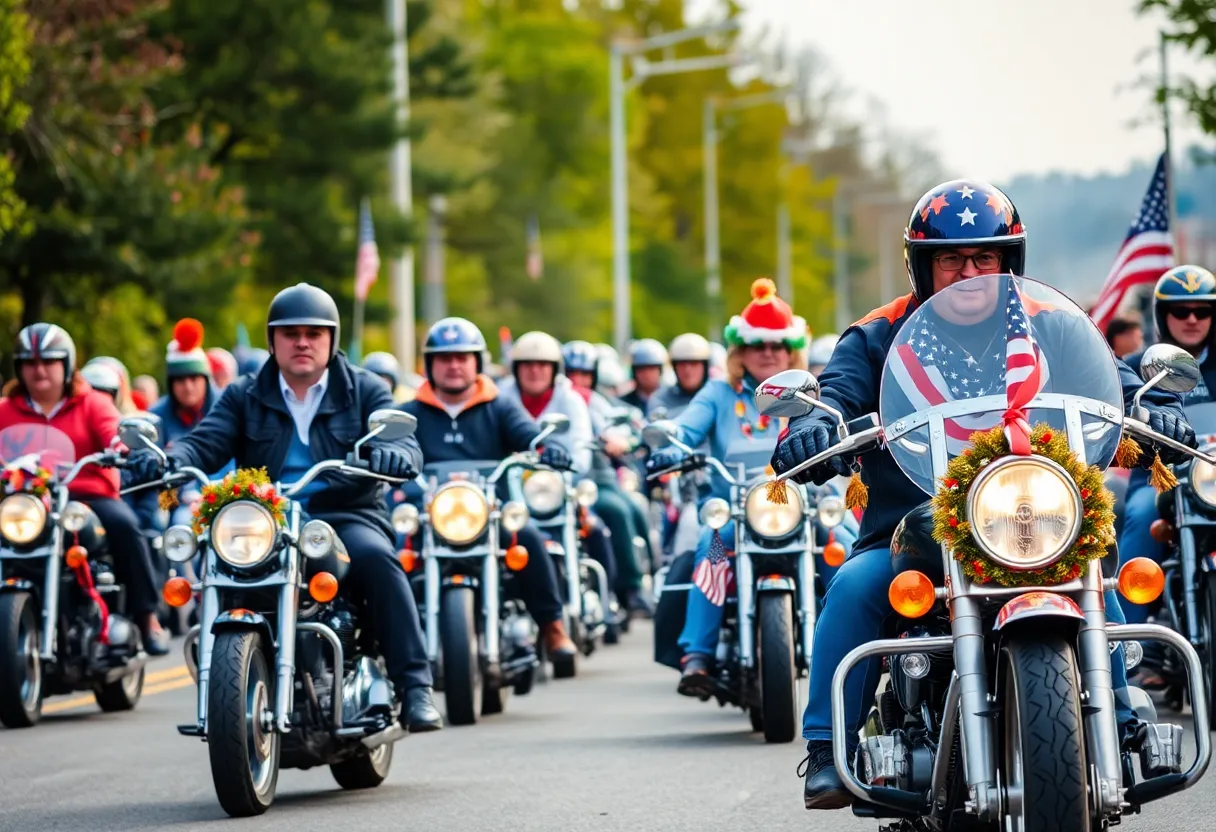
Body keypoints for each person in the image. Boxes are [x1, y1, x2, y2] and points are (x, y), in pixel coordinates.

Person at [771, 179, 1197, 810]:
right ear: (923, 266)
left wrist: (1153, 404)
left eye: (985, 259)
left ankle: (1124, 719)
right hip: (910, 523)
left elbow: (1117, 379)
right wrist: (813, 421)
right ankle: (828, 747)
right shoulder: (877, 333)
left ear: (1008, 262)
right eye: (952, 260)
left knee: (1095, 562)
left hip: (1036, 511)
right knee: (858, 585)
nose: (970, 273)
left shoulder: (1051, 322)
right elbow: (836, 389)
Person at [126, 283, 443, 731]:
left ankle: (415, 688)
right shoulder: (245, 395)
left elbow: (403, 440)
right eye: (290, 332)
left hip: (344, 513)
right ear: (272, 340)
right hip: (265, 519)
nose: (302, 342)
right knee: (216, 563)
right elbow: (205, 442)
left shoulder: (365, 390)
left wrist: (397, 455)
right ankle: (223, 674)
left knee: (377, 560)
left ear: (331, 340)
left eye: (314, 332)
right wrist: (169, 460)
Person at [647, 278, 831, 694]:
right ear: (739, 351)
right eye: (757, 345)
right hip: (731, 506)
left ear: (790, 350)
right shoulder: (716, 392)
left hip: (802, 501)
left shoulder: (806, 389)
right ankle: (697, 654)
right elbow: (685, 429)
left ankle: (856, 637)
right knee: (711, 546)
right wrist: (669, 446)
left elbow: (834, 422)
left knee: (842, 541)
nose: (768, 352)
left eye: (777, 344)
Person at [399, 317, 579, 670]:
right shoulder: (411, 413)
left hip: (490, 513)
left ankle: (552, 626)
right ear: (429, 364)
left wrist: (547, 447)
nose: (454, 365)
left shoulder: (499, 406)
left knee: (528, 538)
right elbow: (394, 447)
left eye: (463, 357)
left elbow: (528, 435)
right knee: (393, 553)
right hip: (428, 515)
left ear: (477, 363)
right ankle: (387, 647)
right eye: (445, 357)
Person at [0, 324, 170, 654]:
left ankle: (147, 616)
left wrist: (125, 448)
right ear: (19, 368)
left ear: (67, 365)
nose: (39, 370)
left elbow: (114, 431)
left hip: (85, 497)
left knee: (126, 525)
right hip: (24, 502)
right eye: (30, 362)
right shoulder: (5, 410)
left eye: (48, 361)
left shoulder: (92, 403)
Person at [1117, 265, 1216, 631]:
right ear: (1162, 315)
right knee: (1143, 515)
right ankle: (1134, 640)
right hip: (1162, 477)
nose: (1192, 319)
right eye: (1180, 311)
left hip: (1211, 477)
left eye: (1202, 311)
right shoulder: (1137, 367)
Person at [564, 340, 656, 613]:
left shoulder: (598, 403)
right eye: (571, 373)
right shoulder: (558, 400)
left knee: (622, 509)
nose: (577, 380)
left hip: (597, 479)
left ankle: (634, 583)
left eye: (584, 374)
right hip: (558, 484)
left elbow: (625, 430)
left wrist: (619, 441)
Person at [653, 333, 712, 417]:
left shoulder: (717, 395)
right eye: (682, 364)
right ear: (674, 367)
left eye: (694, 363)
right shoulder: (661, 398)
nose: (687, 370)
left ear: (705, 366)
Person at [621, 339, 667, 415]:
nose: (647, 374)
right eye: (642, 369)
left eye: (652, 369)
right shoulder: (623, 404)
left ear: (660, 370)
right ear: (634, 371)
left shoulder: (673, 401)